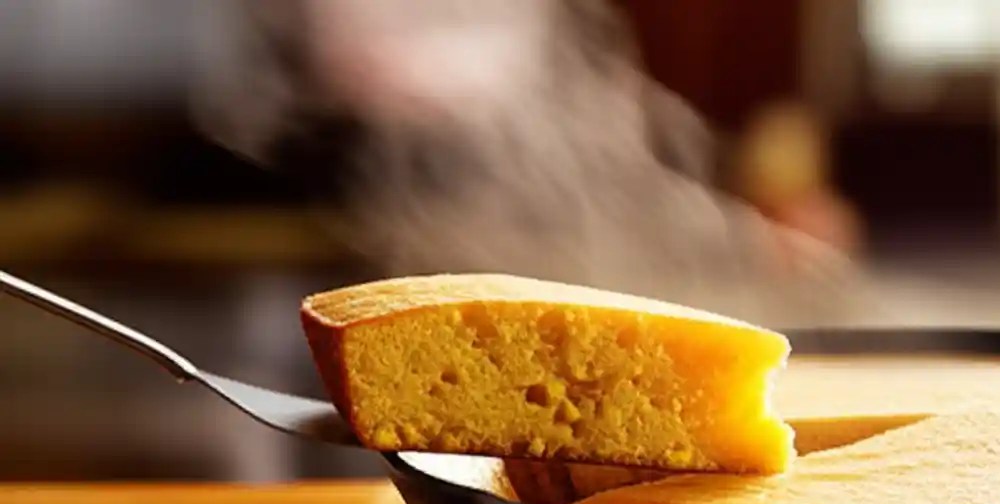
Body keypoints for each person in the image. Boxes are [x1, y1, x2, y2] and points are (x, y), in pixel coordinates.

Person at [195, 0, 870, 326]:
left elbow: (604, 118)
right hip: (362, 230)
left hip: (493, 221)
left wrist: (742, 226)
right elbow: (369, 71)